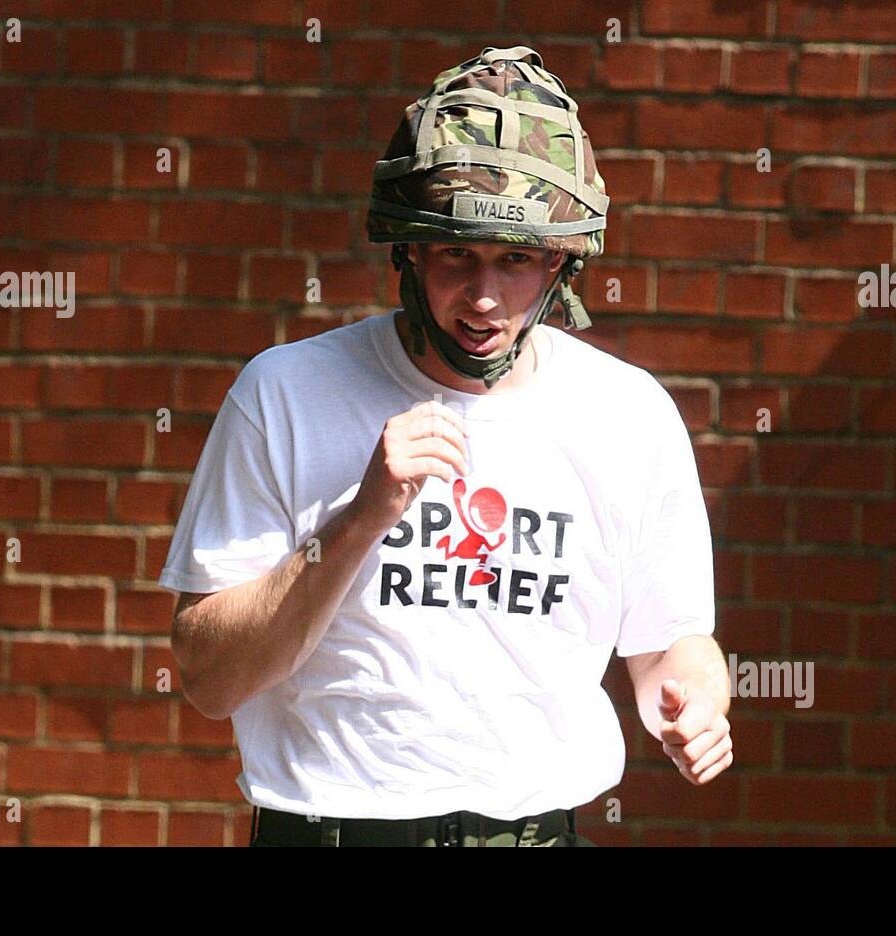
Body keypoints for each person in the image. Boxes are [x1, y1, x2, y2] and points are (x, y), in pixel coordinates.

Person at [159, 46, 733, 847]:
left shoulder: (628, 414)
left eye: (517, 260)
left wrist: (696, 704)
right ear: (411, 249)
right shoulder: (285, 393)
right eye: (457, 253)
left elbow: (671, 644)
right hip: (337, 830)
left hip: (537, 834)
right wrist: (360, 518)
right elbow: (208, 678)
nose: (485, 295)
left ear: (562, 265)